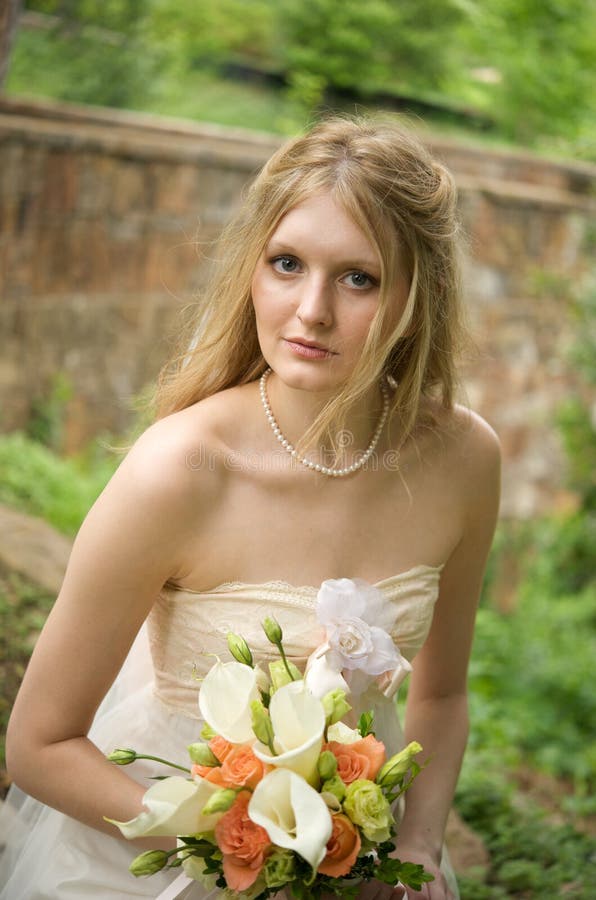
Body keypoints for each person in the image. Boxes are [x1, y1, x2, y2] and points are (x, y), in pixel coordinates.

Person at [0, 114, 500, 899]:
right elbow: (38, 745)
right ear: (253, 269)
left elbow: (441, 693)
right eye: (287, 263)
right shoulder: (177, 472)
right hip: (163, 864)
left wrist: (420, 844)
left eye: (358, 278)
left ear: (418, 294)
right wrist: (246, 843)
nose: (311, 310)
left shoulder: (465, 461)